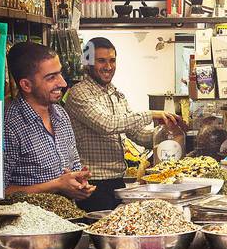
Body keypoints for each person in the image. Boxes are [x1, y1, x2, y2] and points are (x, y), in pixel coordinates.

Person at [63, 36, 184, 211]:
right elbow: (106, 124)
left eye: (112, 60)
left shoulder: (116, 94)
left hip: (116, 181)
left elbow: (136, 134)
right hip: (91, 183)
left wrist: (168, 134)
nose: (108, 66)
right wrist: (151, 114)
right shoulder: (79, 93)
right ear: (87, 63)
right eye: (101, 61)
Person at [3, 41, 94, 201]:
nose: (63, 83)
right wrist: (57, 185)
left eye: (60, 74)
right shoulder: (10, 126)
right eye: (51, 78)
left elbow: (74, 164)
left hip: (66, 221)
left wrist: (79, 182)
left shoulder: (61, 114)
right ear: (26, 85)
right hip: (29, 223)